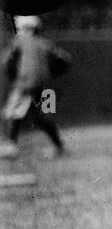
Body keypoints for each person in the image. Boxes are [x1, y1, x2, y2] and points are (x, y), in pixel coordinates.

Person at [1, 15, 70, 158]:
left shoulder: (19, 41)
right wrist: (52, 72)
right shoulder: (45, 43)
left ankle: (10, 146)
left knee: (11, 113)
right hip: (45, 86)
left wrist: (13, 74)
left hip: (25, 83)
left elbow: (7, 60)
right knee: (43, 117)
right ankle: (59, 146)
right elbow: (65, 59)